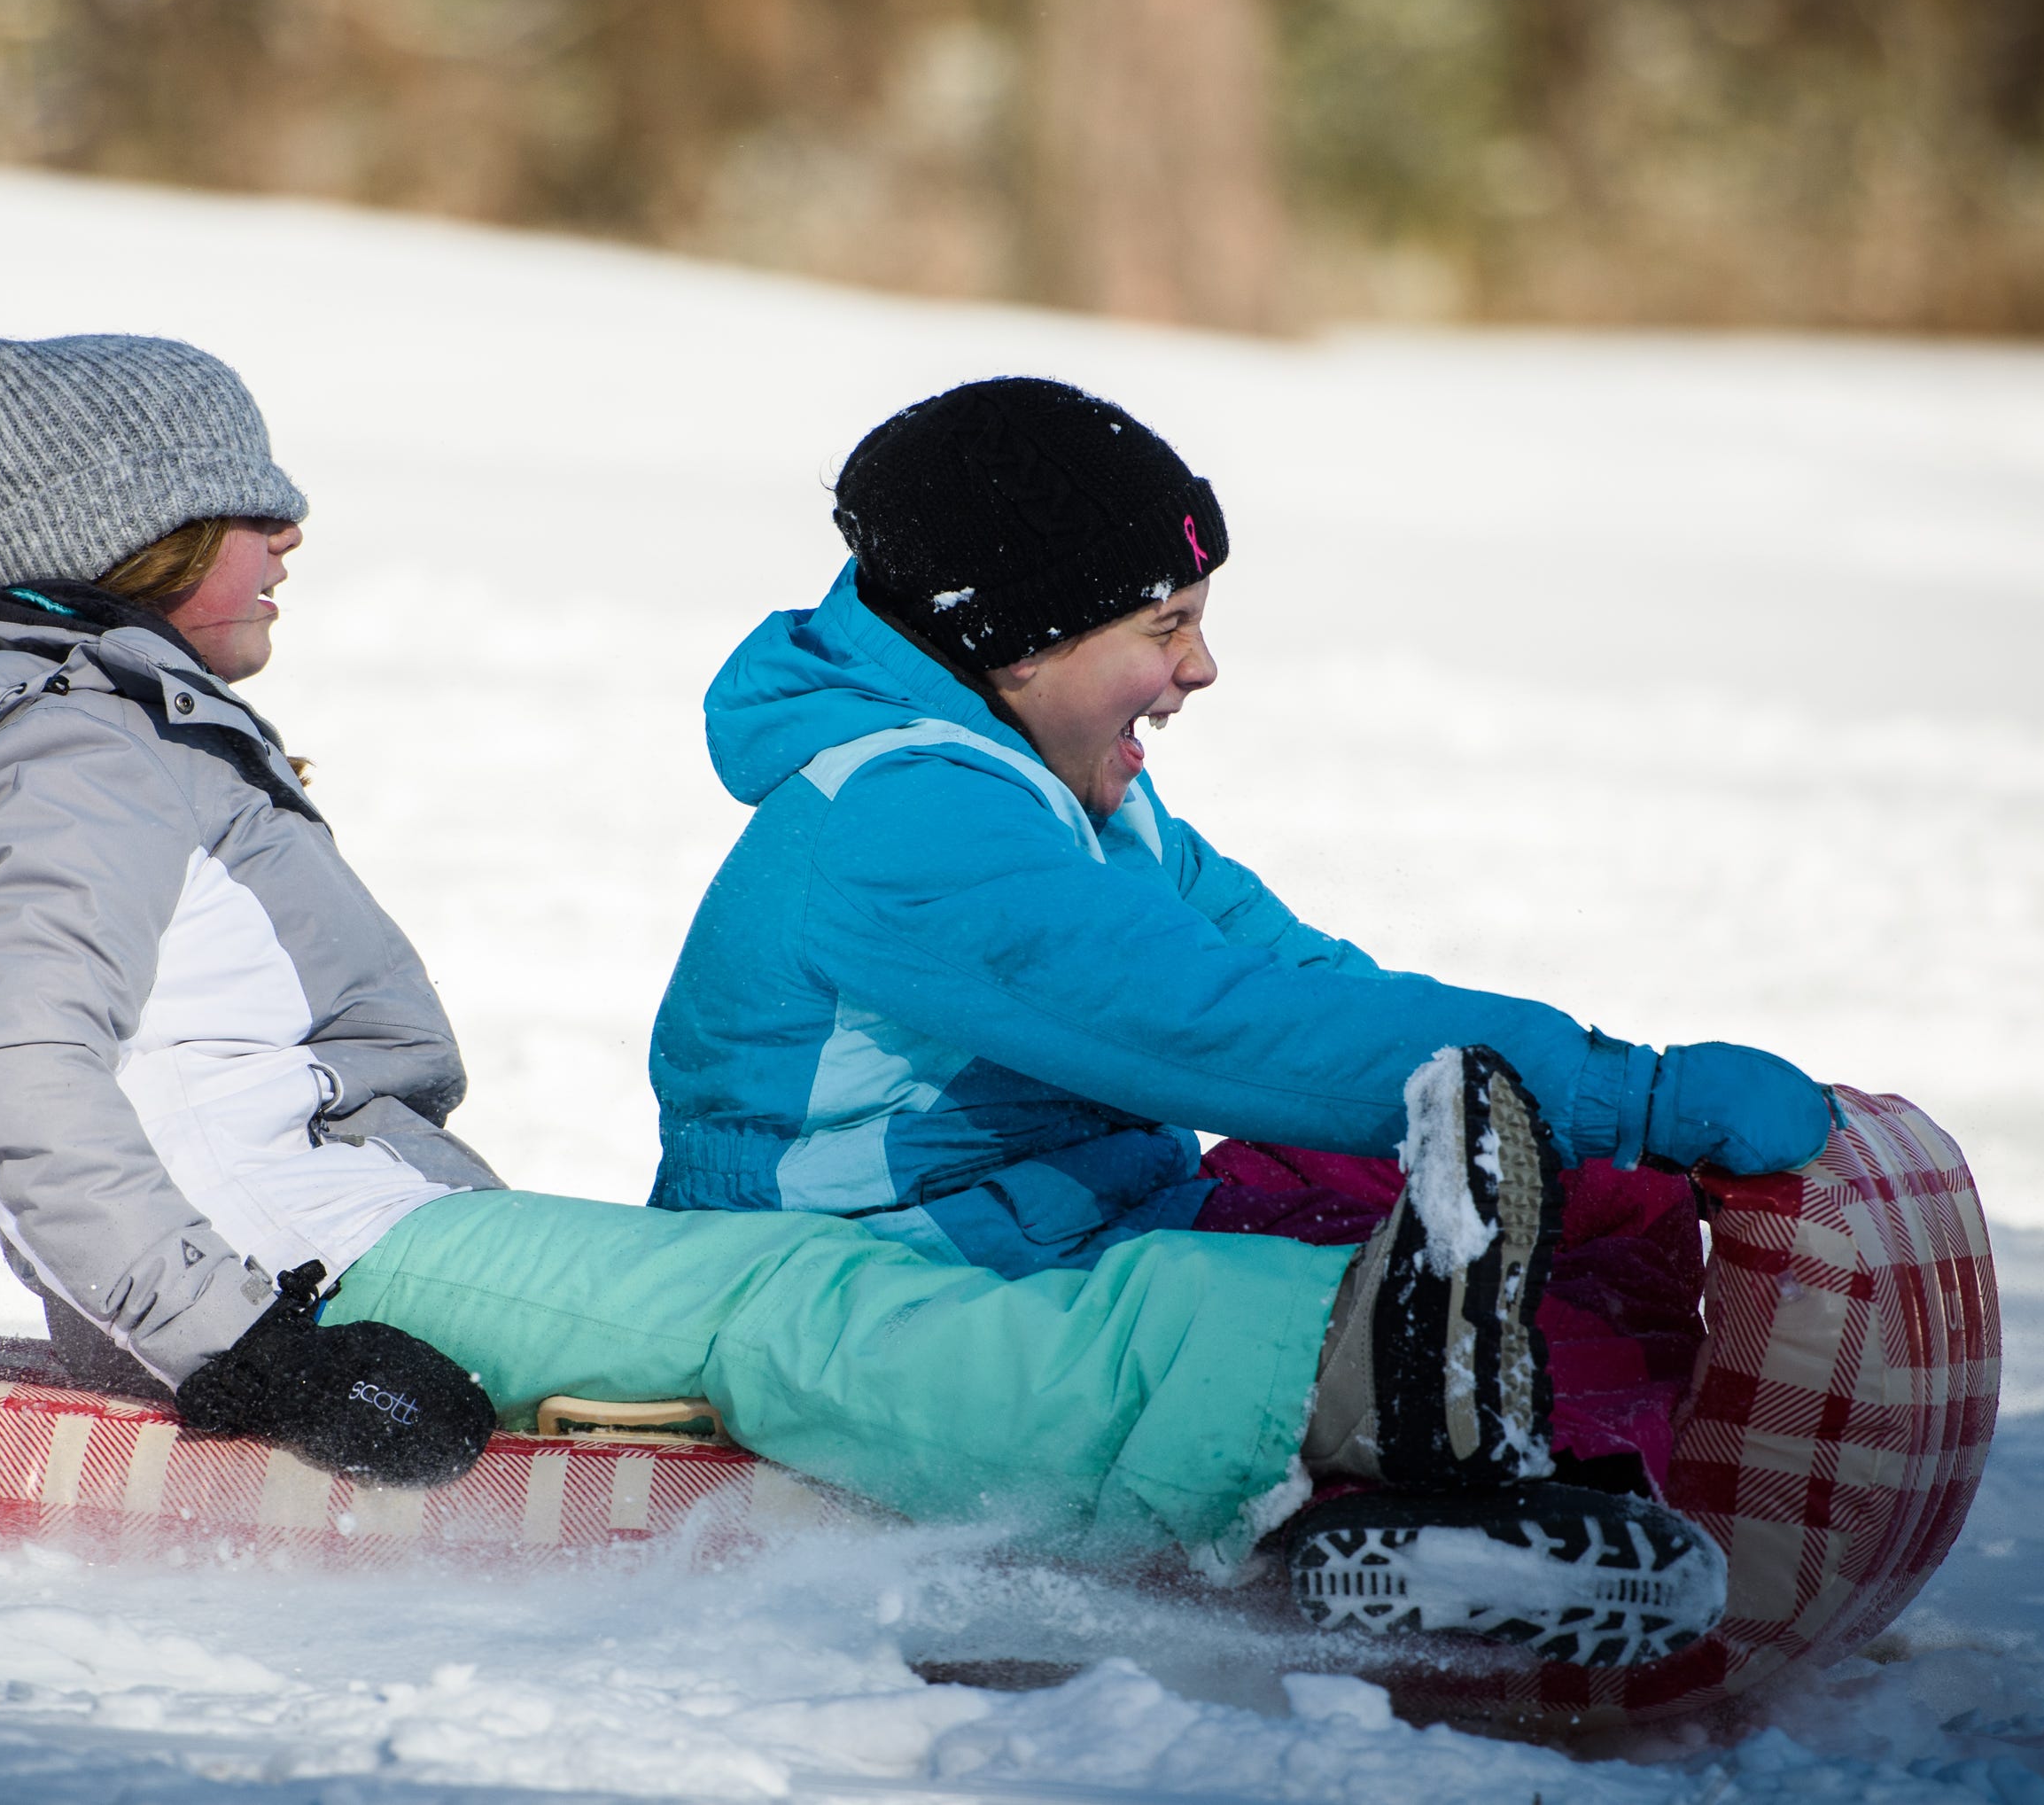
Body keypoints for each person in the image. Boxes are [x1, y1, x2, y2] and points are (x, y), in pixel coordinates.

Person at [0, 331, 1730, 1665]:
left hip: (338, 1237)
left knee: (765, 1304)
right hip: (290, 1275)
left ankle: (1416, 1381)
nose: (290, 530)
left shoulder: (112, 740)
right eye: (240, 503)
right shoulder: (68, 767)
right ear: (120, 539)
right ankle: (1369, 1423)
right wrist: (239, 1354)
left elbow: (1258, 974)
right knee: (779, 1306)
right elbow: (22, 1086)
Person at [648, 375, 1833, 1283]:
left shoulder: (1065, 791)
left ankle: (1600, 1430)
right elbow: (1224, 1032)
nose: (1201, 668)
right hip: (865, 1278)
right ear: (1015, 643)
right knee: (1285, 1312)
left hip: (1049, 1226)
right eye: (1164, 626)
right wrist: (1612, 1099)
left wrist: (1580, 1118)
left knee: (1551, 1210)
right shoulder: (911, 826)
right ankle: (1451, 1498)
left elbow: (1296, 981)